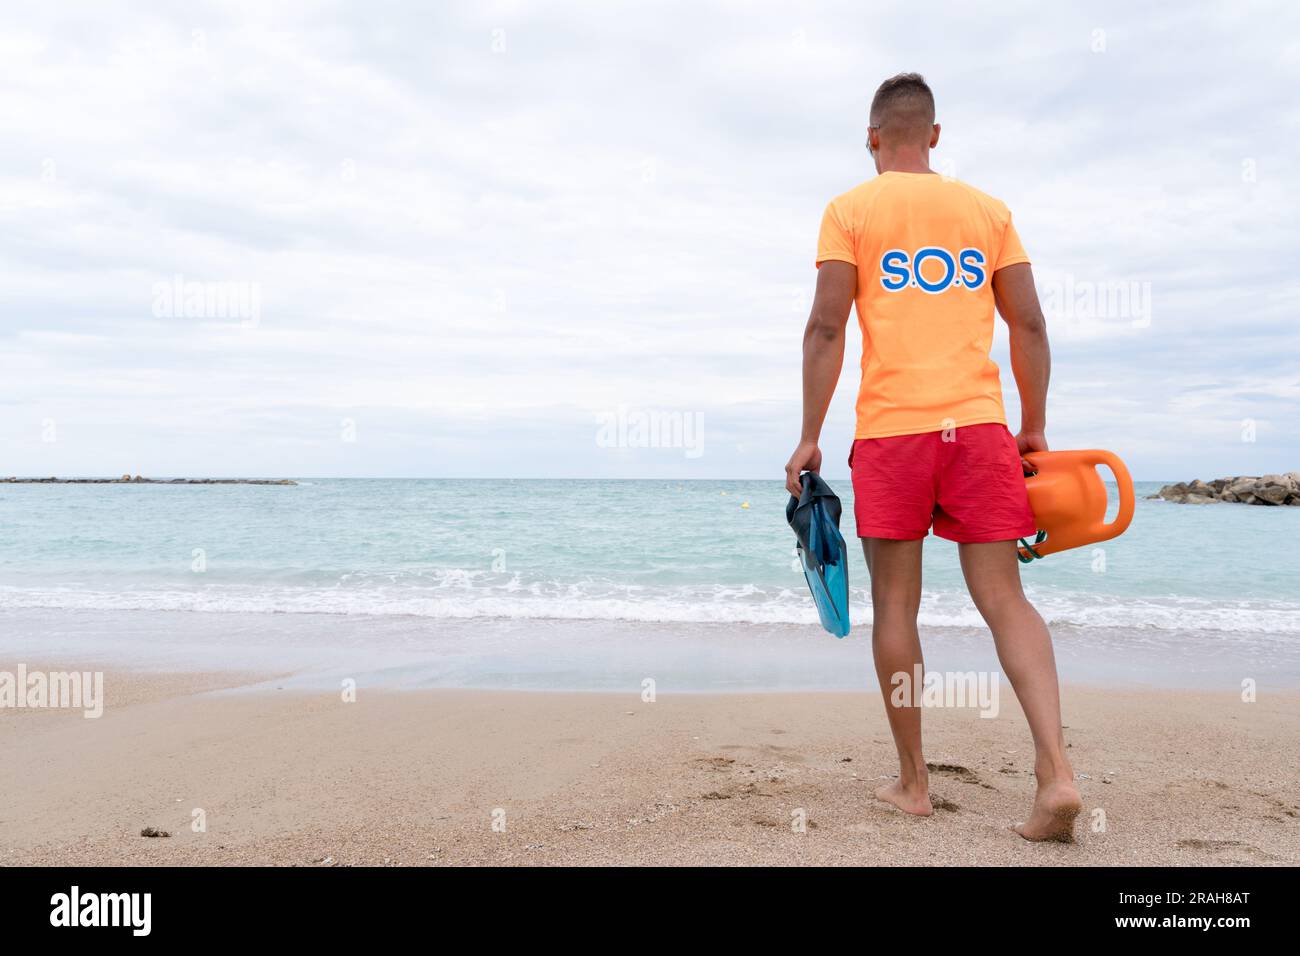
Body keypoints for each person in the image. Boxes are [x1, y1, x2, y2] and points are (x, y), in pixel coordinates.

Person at [783, 72, 1081, 841]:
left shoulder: (849, 210)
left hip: (892, 433)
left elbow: (826, 328)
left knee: (896, 608)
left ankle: (914, 783)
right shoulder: (988, 211)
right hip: (978, 428)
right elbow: (1032, 325)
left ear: (874, 138)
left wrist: (810, 432)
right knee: (1005, 600)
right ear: (936, 137)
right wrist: (1034, 425)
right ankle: (1056, 773)